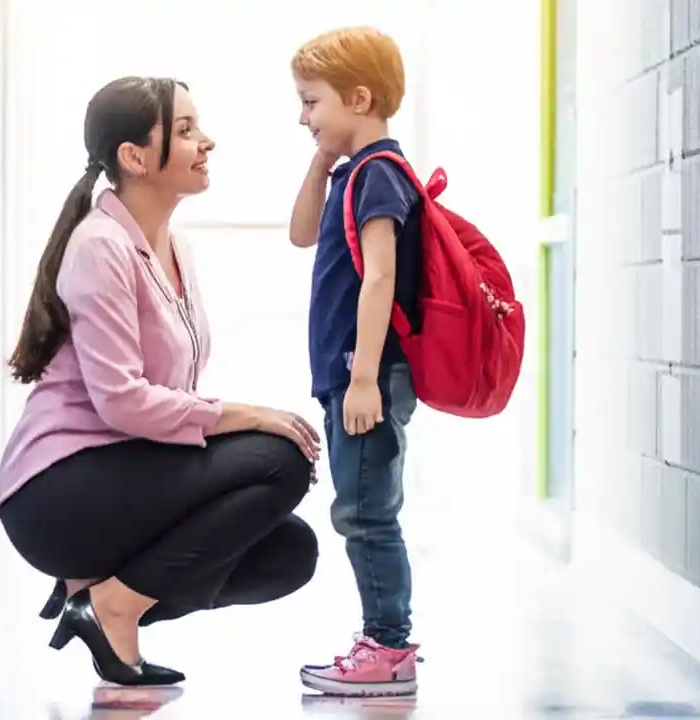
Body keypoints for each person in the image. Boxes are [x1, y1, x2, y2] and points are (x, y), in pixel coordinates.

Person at [0, 76, 323, 687]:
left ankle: (98, 593)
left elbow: (158, 397)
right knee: (279, 459)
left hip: (120, 469)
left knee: (289, 553)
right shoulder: (100, 246)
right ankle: (112, 608)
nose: (207, 142)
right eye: (185, 130)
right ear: (135, 157)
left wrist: (232, 420)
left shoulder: (173, 246)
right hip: (56, 492)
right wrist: (245, 414)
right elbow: (121, 400)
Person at [288, 27, 425, 696]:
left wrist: (365, 377)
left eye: (312, 102)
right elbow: (301, 233)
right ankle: (384, 640)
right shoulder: (353, 174)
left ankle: (389, 648)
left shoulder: (379, 178)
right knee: (363, 507)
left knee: (367, 513)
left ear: (359, 97)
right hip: (349, 374)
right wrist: (320, 163)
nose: (303, 116)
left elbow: (379, 277)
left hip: (366, 375)